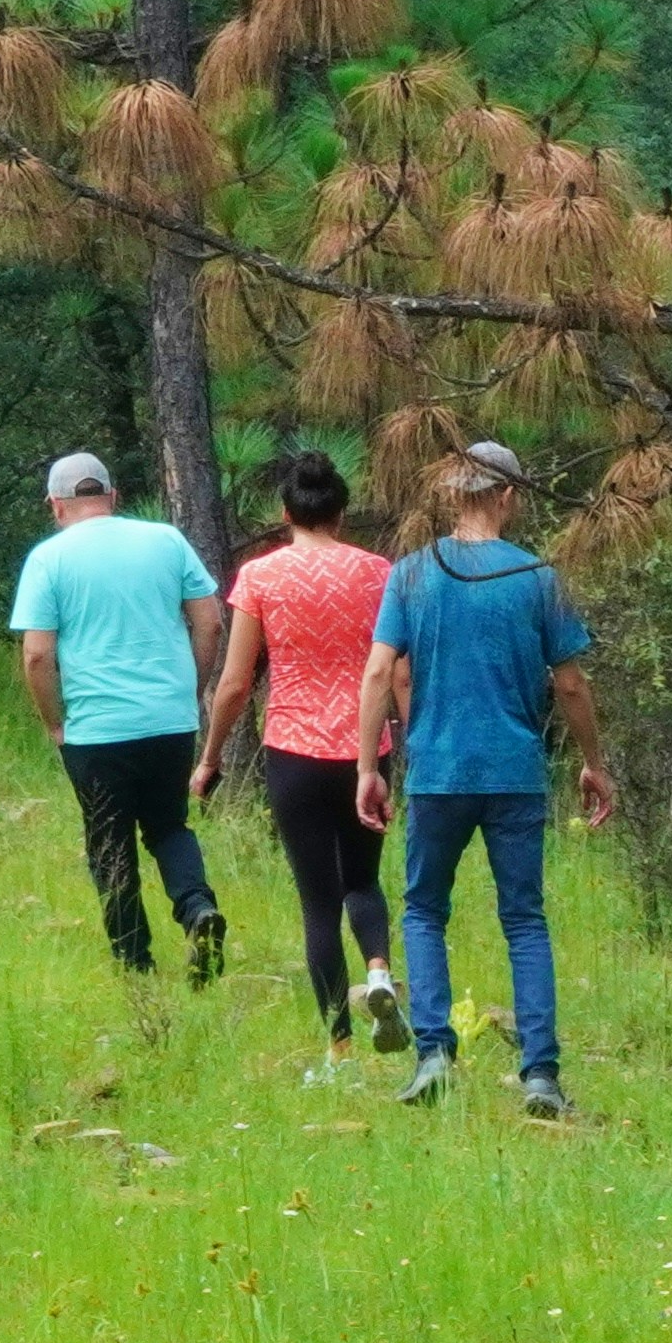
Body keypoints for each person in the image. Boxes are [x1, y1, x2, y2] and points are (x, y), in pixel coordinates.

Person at [354, 439, 613, 1120]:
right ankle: (540, 1076)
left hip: (438, 772)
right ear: (506, 497)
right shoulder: (539, 578)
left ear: (452, 493)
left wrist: (366, 768)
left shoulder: (412, 575)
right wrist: (593, 762)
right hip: (515, 773)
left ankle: (434, 1053)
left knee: (423, 912)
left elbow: (381, 672)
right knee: (524, 919)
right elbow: (571, 682)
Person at [191, 448, 407, 1055]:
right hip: (367, 749)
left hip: (292, 749)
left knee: (318, 902)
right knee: (363, 880)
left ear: (286, 512)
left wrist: (210, 757)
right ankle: (380, 975)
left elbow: (235, 683)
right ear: (342, 512)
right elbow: (398, 674)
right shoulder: (379, 573)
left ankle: (338, 1046)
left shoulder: (259, 578)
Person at [8, 449, 227, 980]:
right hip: (169, 719)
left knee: (109, 841)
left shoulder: (49, 558)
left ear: (55, 505)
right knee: (169, 826)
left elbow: (37, 654)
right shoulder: (166, 541)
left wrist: (53, 722)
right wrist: (190, 688)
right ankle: (197, 908)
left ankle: (136, 964)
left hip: (96, 729)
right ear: (113, 496)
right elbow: (211, 622)